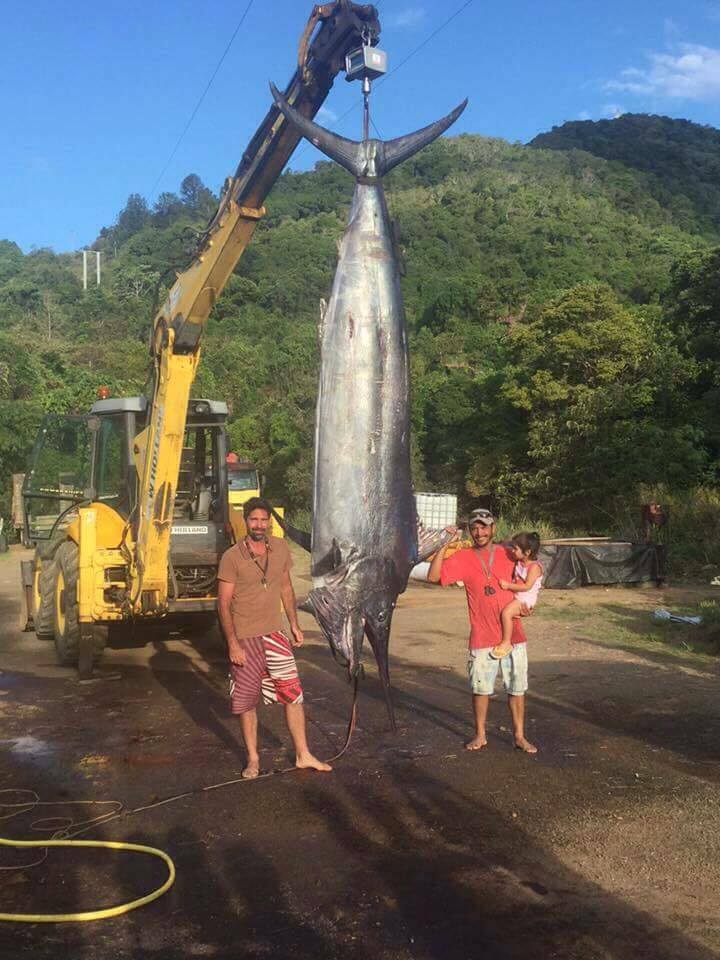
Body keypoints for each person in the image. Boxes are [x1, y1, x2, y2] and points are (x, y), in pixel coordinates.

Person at [217, 496, 331, 778]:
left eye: (264, 520)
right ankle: (253, 758)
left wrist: (293, 623)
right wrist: (232, 643)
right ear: (246, 521)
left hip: (274, 635)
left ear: (269, 522)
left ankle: (303, 754)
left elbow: (286, 587)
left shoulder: (279, 547)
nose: (259, 525)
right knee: (246, 702)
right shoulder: (232, 557)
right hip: (245, 638)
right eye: (254, 519)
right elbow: (222, 603)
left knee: (293, 695)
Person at [427, 508, 538, 754]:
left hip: (513, 635)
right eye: (474, 528)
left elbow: (533, 573)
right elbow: (433, 576)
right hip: (482, 635)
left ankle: (519, 735)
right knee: (480, 689)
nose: (479, 532)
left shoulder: (508, 553)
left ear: (493, 528)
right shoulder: (463, 557)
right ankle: (480, 734)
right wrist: (445, 544)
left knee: (517, 688)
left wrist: (529, 604)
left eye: (484, 527)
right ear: (470, 531)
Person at [491, 531, 543, 660]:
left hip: (525, 599)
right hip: (519, 596)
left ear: (527, 552)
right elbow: (508, 545)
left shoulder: (534, 567)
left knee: (506, 614)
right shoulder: (520, 561)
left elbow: (527, 587)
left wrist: (508, 586)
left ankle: (506, 642)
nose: (512, 550)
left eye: (515, 548)